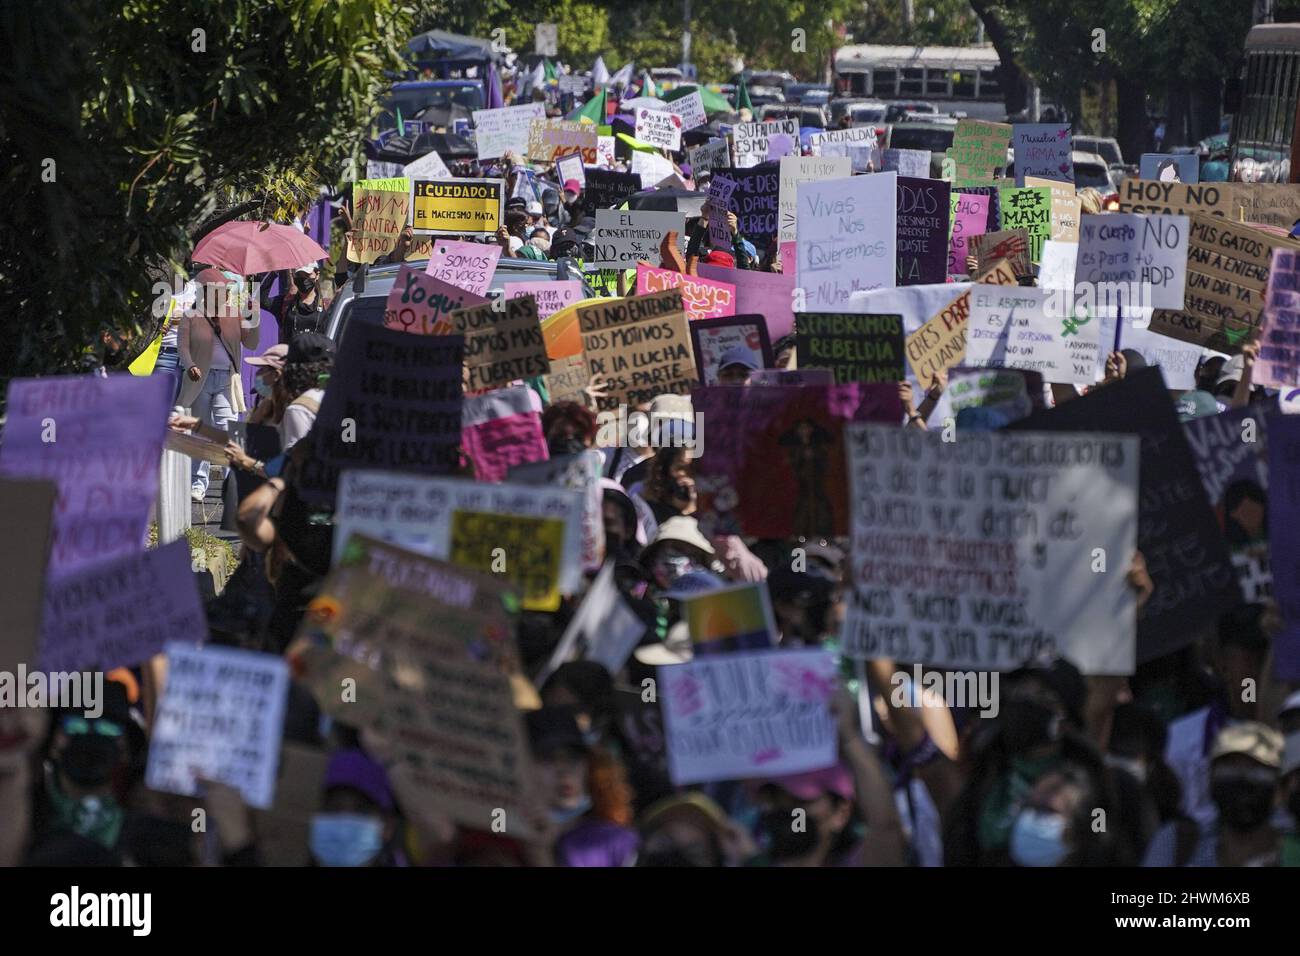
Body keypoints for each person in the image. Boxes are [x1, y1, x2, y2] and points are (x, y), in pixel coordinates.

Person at [1144, 722, 1284, 866]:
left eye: (1257, 772)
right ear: (1210, 779)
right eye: (1229, 770)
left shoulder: (1292, 853)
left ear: (1279, 786)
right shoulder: (1177, 842)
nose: (1242, 781)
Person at [177, 268, 261, 501]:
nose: (224, 294)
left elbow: (252, 342)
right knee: (200, 433)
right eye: (219, 290)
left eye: (225, 290)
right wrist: (190, 364)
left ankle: (231, 484)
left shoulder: (233, 314)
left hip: (226, 380)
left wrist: (253, 317)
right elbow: (182, 346)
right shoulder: (191, 316)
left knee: (228, 430)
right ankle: (198, 483)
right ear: (205, 292)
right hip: (200, 381)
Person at [260, 263, 325, 344]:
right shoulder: (285, 303)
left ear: (317, 275)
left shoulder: (326, 305)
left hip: (317, 355)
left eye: (307, 275)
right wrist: (274, 273)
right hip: (290, 354)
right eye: (299, 275)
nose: (303, 279)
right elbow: (261, 300)